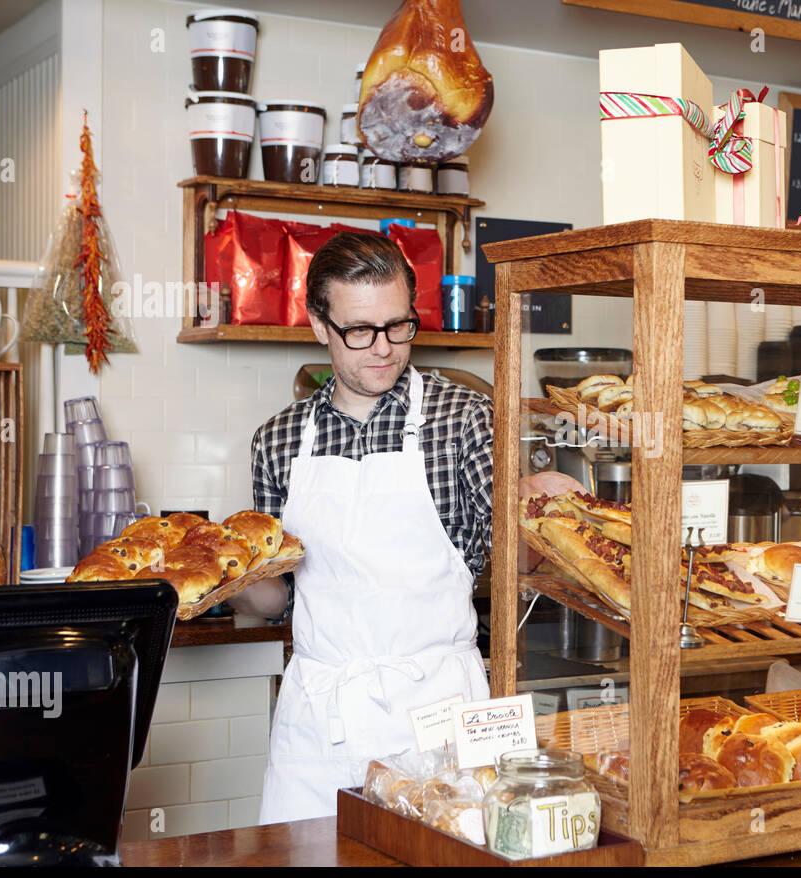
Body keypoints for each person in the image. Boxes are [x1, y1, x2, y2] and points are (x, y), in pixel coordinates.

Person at [231, 232, 571, 823]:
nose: (384, 349)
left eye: (399, 326)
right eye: (360, 331)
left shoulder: (463, 418)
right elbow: (271, 602)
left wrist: (545, 515)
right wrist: (227, 571)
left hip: (438, 713)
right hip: (320, 724)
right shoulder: (278, 441)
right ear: (320, 326)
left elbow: (518, 561)